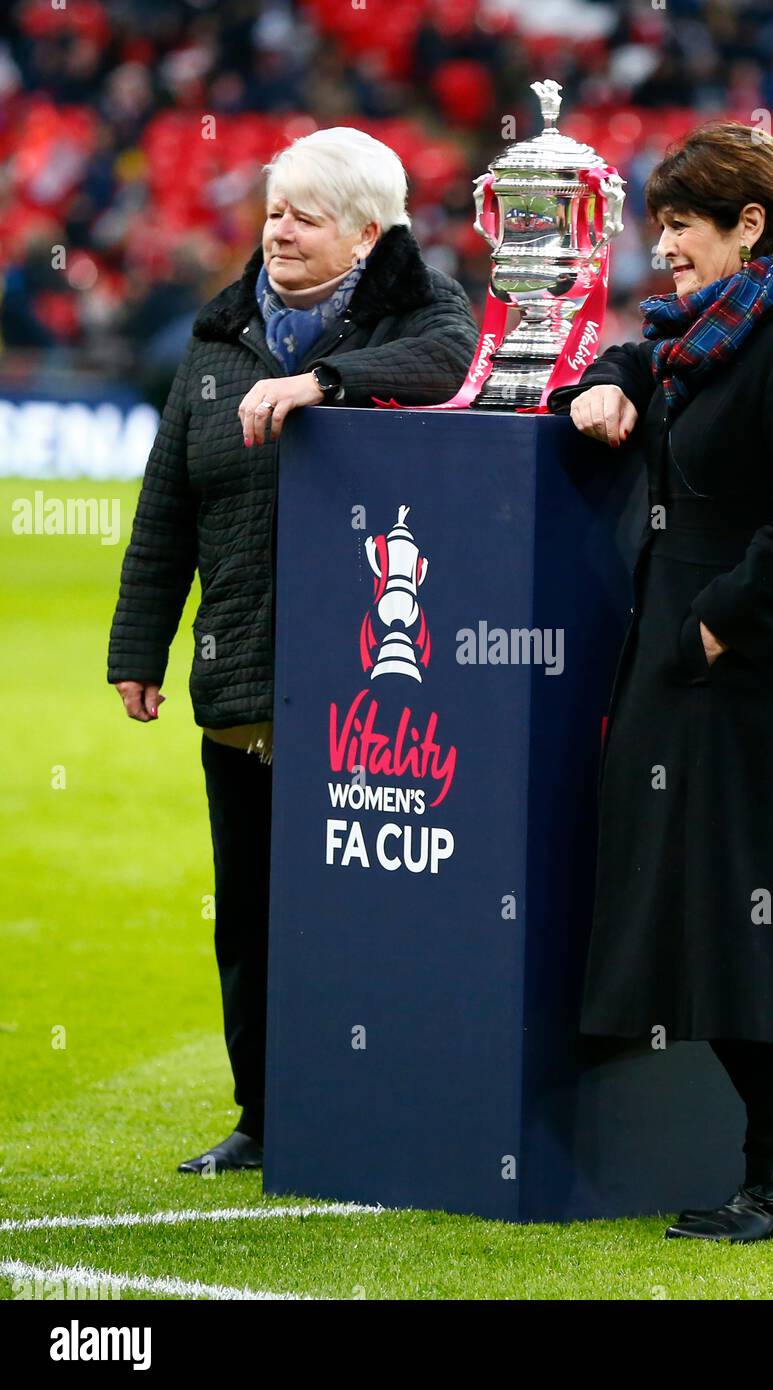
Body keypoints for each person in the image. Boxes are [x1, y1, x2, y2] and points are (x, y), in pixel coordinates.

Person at [107, 126, 478, 1173]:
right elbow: (167, 500)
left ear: (367, 231)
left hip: (375, 694)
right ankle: (264, 1115)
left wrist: (323, 384)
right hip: (247, 671)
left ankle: (387, 1104)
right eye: (273, 209)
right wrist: (140, 644)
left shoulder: (423, 308)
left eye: (305, 214)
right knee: (254, 916)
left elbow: (452, 361)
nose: (278, 228)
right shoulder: (220, 333)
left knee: (372, 912)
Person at [548, 122, 773, 1242]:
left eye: (681, 223)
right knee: (684, 906)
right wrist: (602, 374)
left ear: (749, 223)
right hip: (683, 662)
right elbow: (649, 355)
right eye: (657, 224)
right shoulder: (701, 332)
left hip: (751, 676)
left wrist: (712, 635)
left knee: (742, 909)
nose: (663, 247)